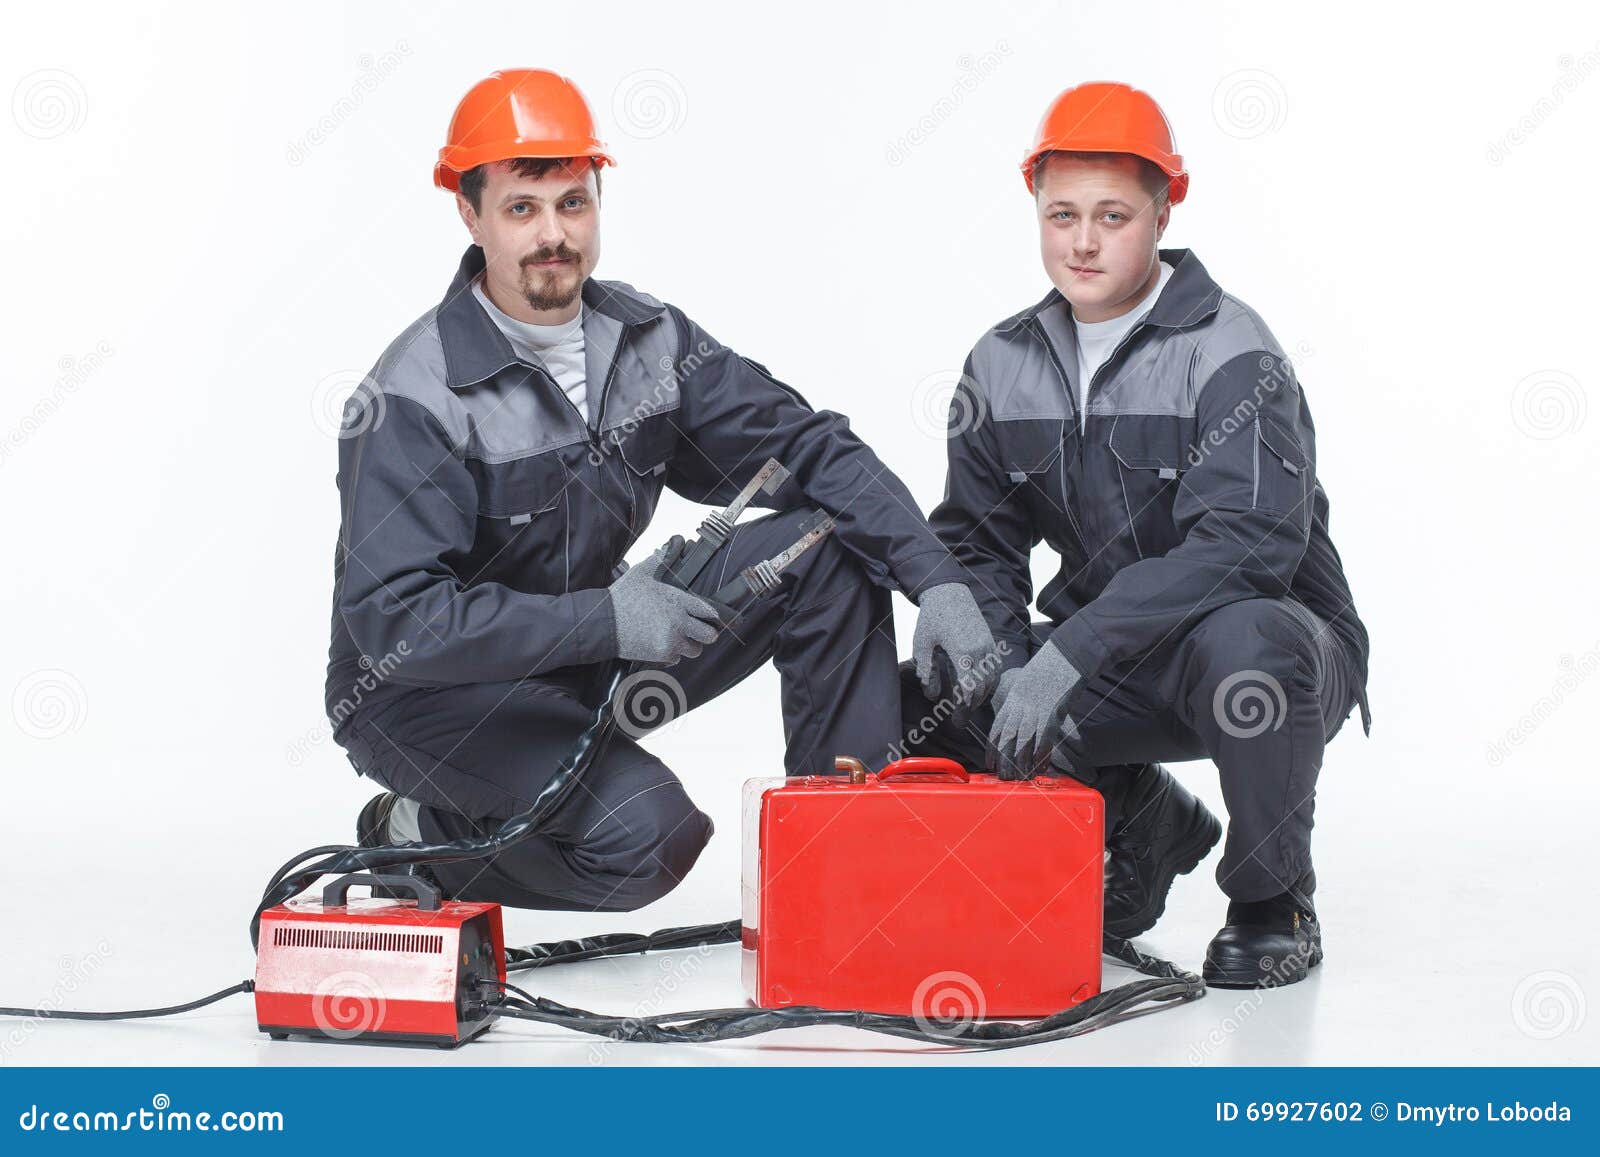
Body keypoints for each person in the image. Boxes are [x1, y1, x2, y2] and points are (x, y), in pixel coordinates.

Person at [324, 69, 998, 914]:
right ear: (470, 214)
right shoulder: (415, 396)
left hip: (589, 642)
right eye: (521, 208)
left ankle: (847, 879)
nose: (553, 235)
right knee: (648, 838)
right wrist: (605, 619)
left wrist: (935, 579)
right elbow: (398, 623)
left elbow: (808, 445)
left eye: (573, 203)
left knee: (825, 542)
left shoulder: (646, 342)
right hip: (428, 696)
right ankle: (415, 833)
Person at [903, 82, 1371, 988]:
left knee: (1246, 642)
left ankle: (1275, 901)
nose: (1082, 241)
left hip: (1273, 647)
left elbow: (1248, 544)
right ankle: (1140, 814)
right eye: (1061, 214)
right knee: (926, 694)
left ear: (1164, 210)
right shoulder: (1001, 362)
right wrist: (981, 636)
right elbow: (979, 537)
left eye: (1112, 216)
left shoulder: (1230, 348)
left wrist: (1071, 651)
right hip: (1114, 657)